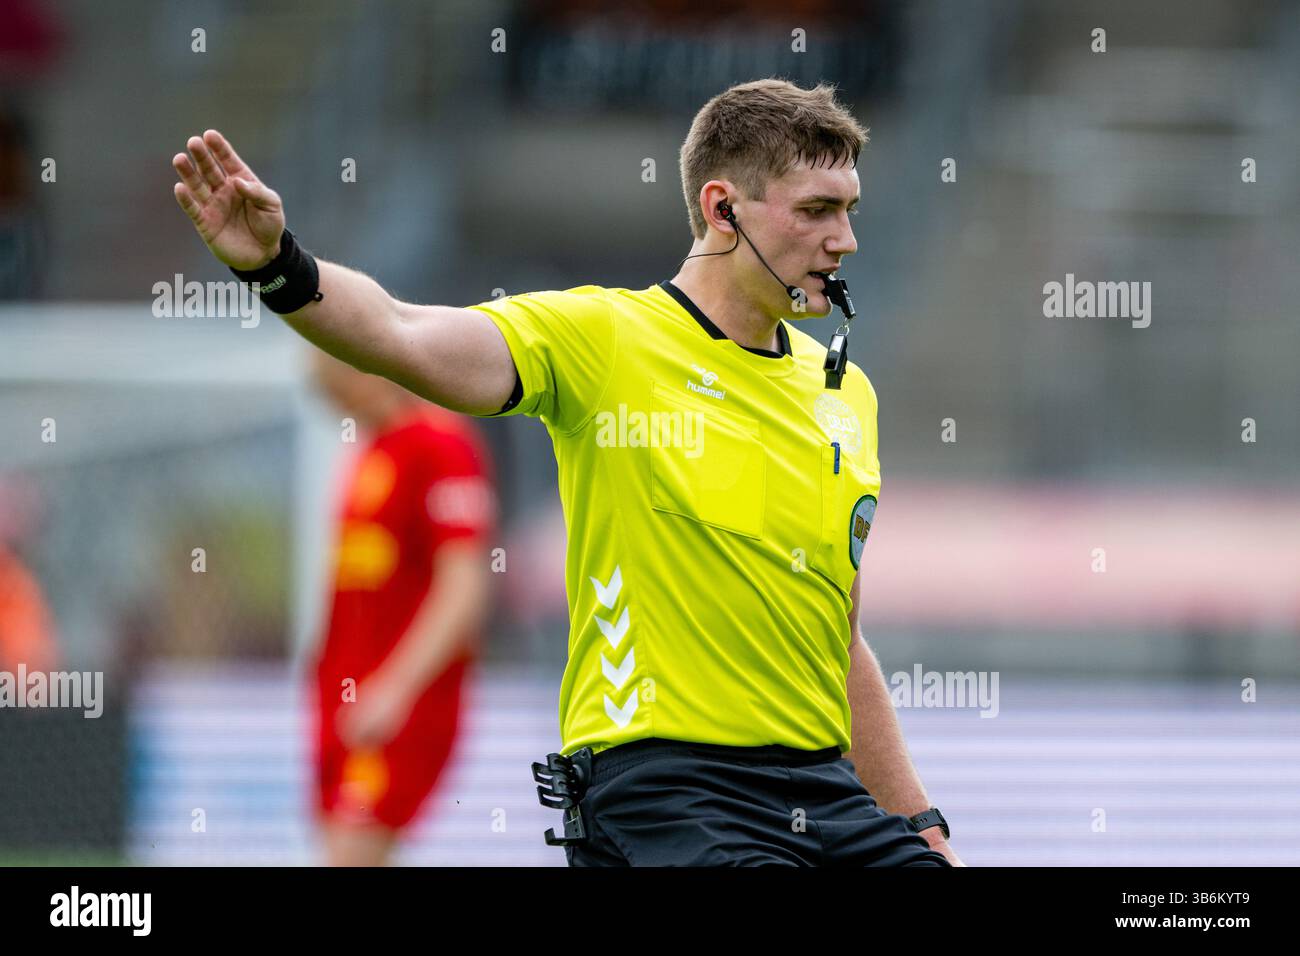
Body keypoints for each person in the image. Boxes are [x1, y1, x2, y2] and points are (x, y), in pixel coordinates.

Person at [172, 77, 961, 866]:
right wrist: (279, 265)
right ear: (724, 208)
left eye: (849, 209)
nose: (845, 239)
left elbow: (841, 636)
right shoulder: (602, 339)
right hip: (669, 794)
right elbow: (401, 330)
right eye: (818, 210)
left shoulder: (846, 393)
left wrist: (918, 822)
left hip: (824, 793)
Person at [308, 349, 496, 866]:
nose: (340, 410)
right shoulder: (372, 452)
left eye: (339, 391)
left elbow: (464, 586)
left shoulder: (441, 445)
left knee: (350, 856)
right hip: (344, 700)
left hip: (394, 704)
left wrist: (395, 689)